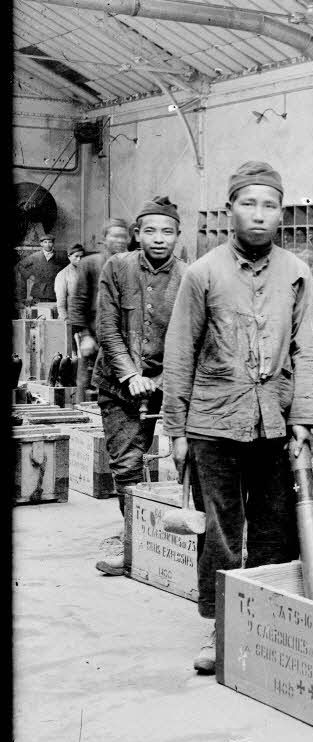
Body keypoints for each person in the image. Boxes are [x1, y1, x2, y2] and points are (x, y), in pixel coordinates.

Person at [163, 161, 313, 675]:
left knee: (275, 529)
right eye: (249, 203)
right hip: (212, 424)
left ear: (282, 212)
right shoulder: (203, 273)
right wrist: (176, 428)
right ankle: (221, 625)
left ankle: (268, 621)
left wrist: (304, 418)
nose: (259, 214)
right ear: (230, 208)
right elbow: (180, 351)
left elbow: (307, 351)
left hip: (273, 423)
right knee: (223, 530)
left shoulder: (297, 273)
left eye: (270, 204)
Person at [92, 197, 188, 575]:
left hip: (171, 384)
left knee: (185, 460)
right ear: (137, 234)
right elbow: (108, 329)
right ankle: (132, 543)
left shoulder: (189, 276)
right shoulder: (116, 268)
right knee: (127, 464)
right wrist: (131, 375)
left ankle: (176, 547)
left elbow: (190, 337)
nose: (159, 239)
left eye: (167, 231)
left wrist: (161, 380)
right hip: (118, 386)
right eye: (150, 231)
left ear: (178, 236)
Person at [69, 218, 133, 403]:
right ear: (104, 238)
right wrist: (85, 335)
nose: (120, 240)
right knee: (88, 383)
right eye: (115, 236)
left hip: (122, 336)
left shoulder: (133, 264)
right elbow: (78, 302)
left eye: (123, 236)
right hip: (94, 335)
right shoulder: (90, 264)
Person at [17, 230, 68, 305]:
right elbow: (20, 265)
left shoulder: (60, 256)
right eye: (45, 242)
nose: (47, 245)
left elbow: (69, 268)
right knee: (40, 313)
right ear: (41, 244)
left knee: (55, 312)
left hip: (55, 291)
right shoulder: (35, 256)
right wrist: (29, 275)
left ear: (53, 244)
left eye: (50, 242)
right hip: (38, 292)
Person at [54, 243, 84, 319]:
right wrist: (65, 318)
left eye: (81, 256)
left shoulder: (87, 271)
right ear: (69, 256)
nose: (79, 259)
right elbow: (61, 301)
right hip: (71, 317)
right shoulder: (63, 275)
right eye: (76, 256)